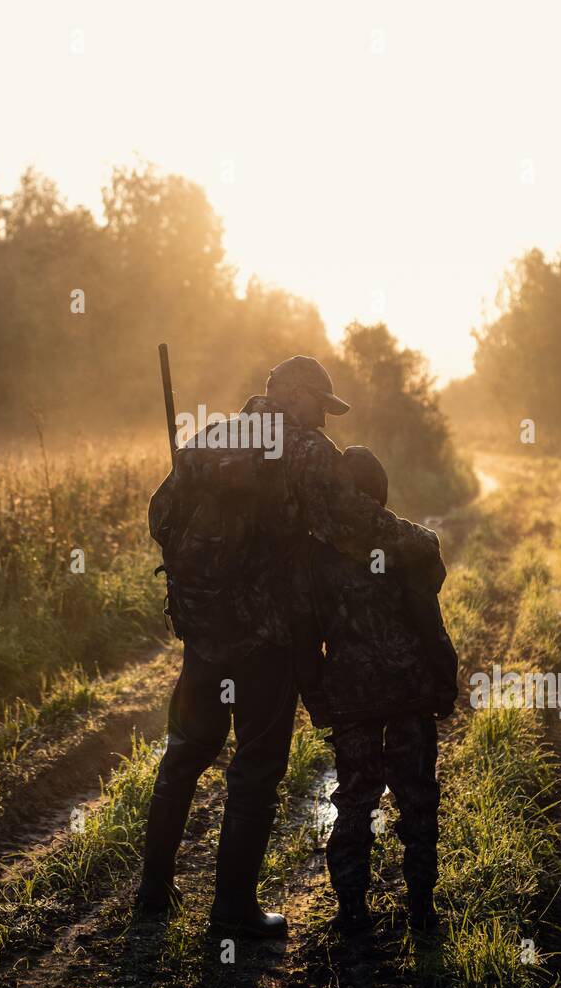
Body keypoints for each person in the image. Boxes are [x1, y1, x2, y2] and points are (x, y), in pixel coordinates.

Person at [137, 357, 443, 939]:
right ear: (298, 397)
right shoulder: (305, 449)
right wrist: (417, 539)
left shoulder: (219, 434)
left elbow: (161, 517)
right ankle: (233, 913)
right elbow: (352, 524)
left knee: (186, 752)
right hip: (266, 636)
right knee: (255, 767)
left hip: (204, 627)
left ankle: (153, 893)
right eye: (320, 406)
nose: (322, 418)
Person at [309, 445, 458, 934]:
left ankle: (351, 910)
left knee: (355, 799)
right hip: (409, 692)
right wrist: (444, 681)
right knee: (417, 799)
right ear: (379, 492)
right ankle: (422, 908)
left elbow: (304, 638)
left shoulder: (316, 559)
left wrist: (316, 698)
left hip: (351, 696)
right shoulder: (406, 545)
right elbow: (429, 623)